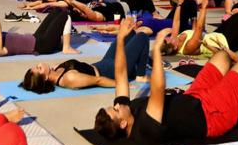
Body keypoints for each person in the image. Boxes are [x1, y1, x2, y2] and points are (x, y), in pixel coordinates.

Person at [94, 28, 238, 142]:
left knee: (223, 57)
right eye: (115, 110)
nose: (116, 105)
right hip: (210, 116)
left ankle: (236, 91)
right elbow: (158, 89)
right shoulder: (145, 128)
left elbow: (121, 74)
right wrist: (158, 51)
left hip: (194, 97)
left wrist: (121, 39)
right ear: (123, 124)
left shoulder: (126, 112)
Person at [21, 17, 150, 93]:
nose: (39, 64)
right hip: (112, 71)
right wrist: (123, 84)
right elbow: (98, 80)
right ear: (44, 78)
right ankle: (140, 75)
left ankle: (136, 66)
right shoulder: (69, 79)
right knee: (142, 36)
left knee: (131, 33)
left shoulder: (54, 71)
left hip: (104, 62)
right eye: (39, 68)